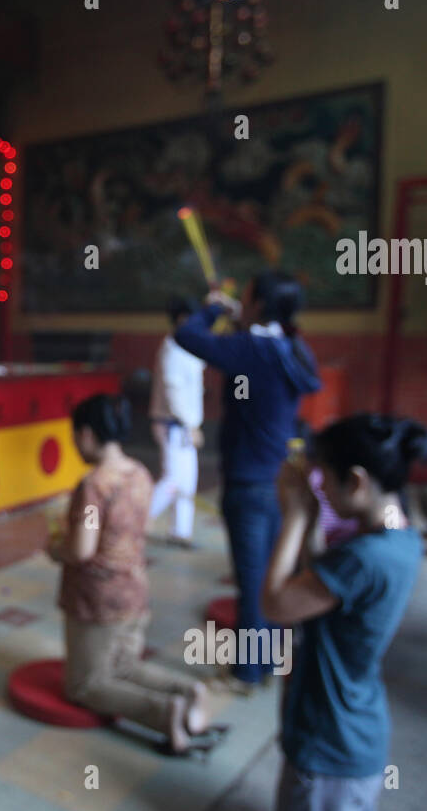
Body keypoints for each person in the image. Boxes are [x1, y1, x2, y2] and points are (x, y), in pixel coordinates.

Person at [262, 413, 427, 811]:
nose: (319, 487)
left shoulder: (365, 558)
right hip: (355, 730)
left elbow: (275, 603)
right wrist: (308, 517)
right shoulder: (399, 538)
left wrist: (295, 516)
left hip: (330, 743)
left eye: (323, 477)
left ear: (356, 481)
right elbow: (325, 573)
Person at [174, 270, 322, 686]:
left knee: (253, 581)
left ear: (257, 304)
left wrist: (213, 308)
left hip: (249, 483)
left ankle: (247, 673)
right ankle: (269, 662)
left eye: (249, 295)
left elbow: (187, 335)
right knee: (273, 577)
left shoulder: (252, 350)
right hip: (281, 481)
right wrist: (243, 322)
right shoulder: (290, 348)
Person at [48, 394, 215, 754]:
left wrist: (54, 548)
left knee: (83, 685)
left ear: (88, 434)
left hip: (97, 601)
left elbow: (82, 549)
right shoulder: (139, 473)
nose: (76, 444)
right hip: (135, 592)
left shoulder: (95, 485)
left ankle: (162, 712)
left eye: (75, 436)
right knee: (123, 666)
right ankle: (187, 692)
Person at [148, 297, 205, 547]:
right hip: (173, 424)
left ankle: (180, 531)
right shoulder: (174, 346)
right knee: (172, 479)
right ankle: (135, 521)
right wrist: (190, 425)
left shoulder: (188, 345)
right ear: (182, 319)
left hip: (182, 425)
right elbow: (173, 391)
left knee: (187, 480)